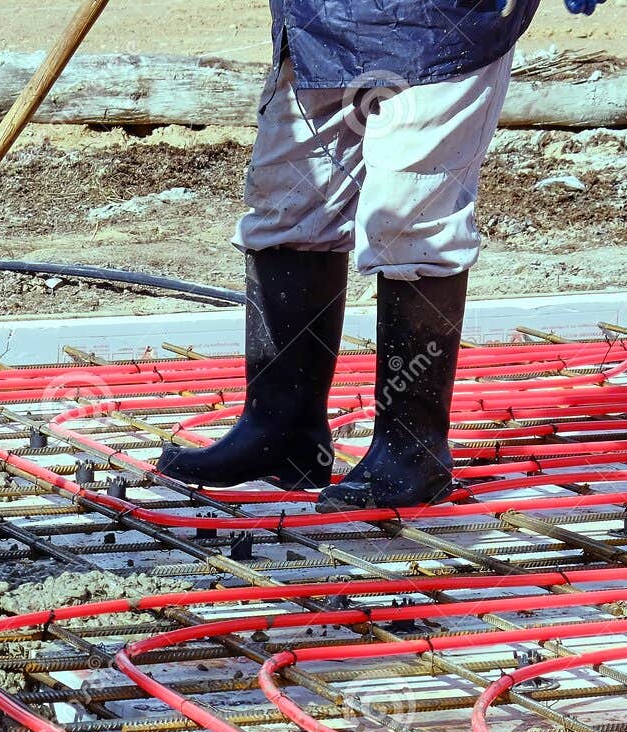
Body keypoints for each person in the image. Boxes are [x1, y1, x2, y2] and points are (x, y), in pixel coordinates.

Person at [157, 0, 603, 512]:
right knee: (290, 206)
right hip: (320, 25)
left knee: (408, 223)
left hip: (440, 29)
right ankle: (282, 432)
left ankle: (411, 453)